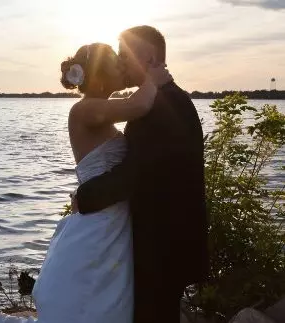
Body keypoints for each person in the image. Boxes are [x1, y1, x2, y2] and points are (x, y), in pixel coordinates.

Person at [0, 43, 172, 323]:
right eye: (116, 64)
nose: (122, 66)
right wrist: (152, 79)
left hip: (114, 217)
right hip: (99, 218)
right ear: (99, 76)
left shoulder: (102, 109)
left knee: (106, 295)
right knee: (90, 297)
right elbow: (139, 104)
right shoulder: (83, 111)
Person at [73, 26, 209, 323]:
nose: (120, 62)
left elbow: (135, 175)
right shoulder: (160, 99)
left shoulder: (162, 103)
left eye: (124, 54)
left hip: (163, 245)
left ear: (147, 58)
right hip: (162, 241)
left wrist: (84, 197)